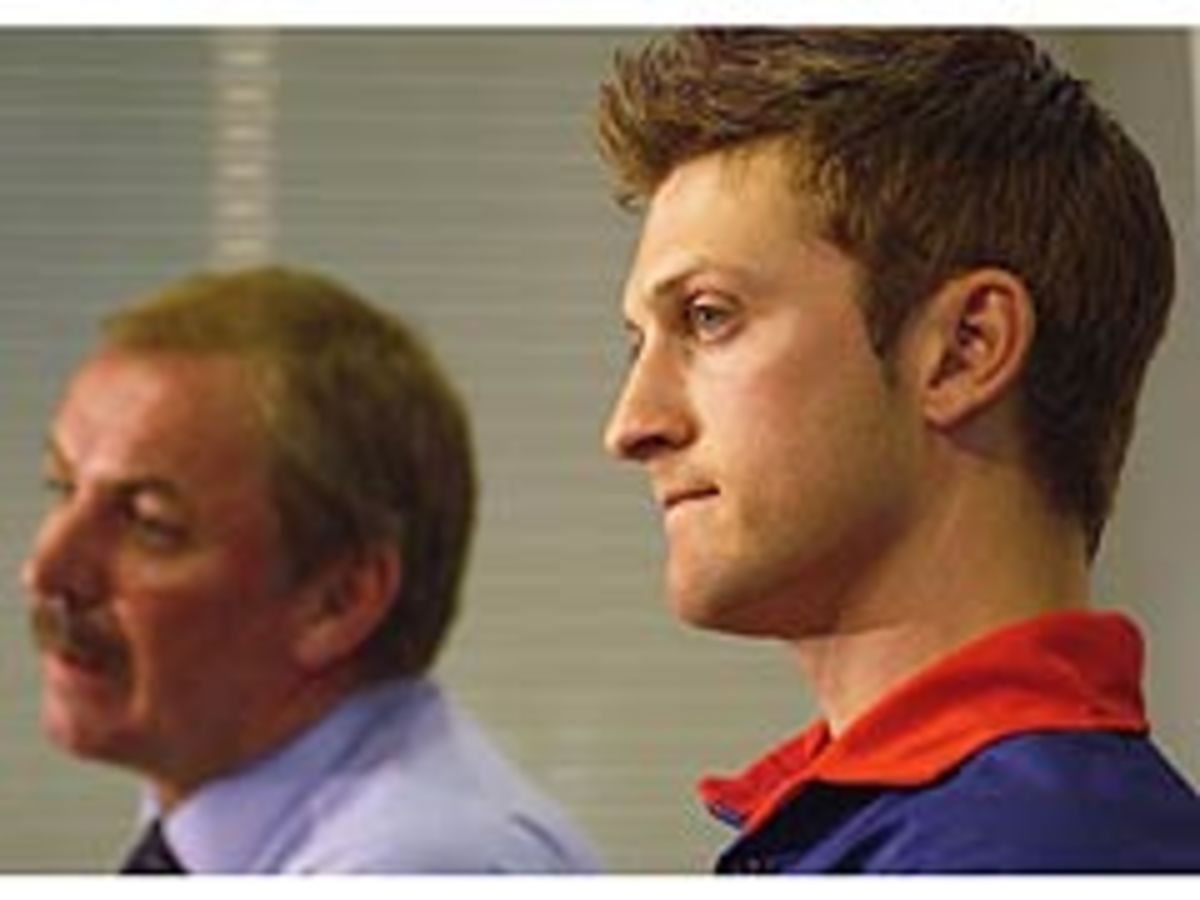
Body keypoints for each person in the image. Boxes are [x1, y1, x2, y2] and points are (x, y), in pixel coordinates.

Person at [595, 28, 1200, 873]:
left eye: (708, 317)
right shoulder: (930, 834)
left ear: (964, 350)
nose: (630, 425)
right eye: (638, 343)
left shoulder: (1035, 859)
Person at [21, 265, 600, 874]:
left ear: (339, 600)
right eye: (62, 488)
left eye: (149, 524)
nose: (47, 570)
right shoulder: (207, 816)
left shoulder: (414, 866)